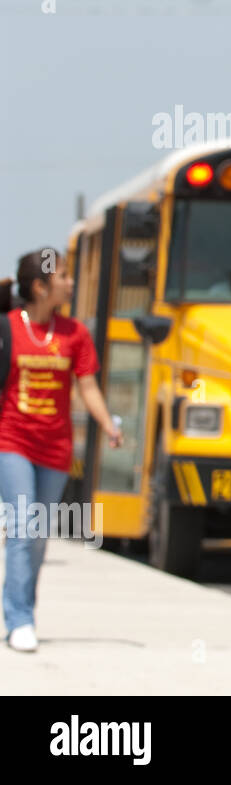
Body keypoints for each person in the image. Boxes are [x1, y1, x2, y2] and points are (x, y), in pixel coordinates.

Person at [0, 250, 122, 653]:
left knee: (36, 535)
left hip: (55, 447)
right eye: (65, 276)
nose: (71, 283)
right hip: (11, 439)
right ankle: (19, 618)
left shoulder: (74, 334)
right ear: (41, 286)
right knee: (22, 525)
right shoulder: (7, 330)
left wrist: (107, 425)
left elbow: (87, 386)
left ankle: (23, 609)